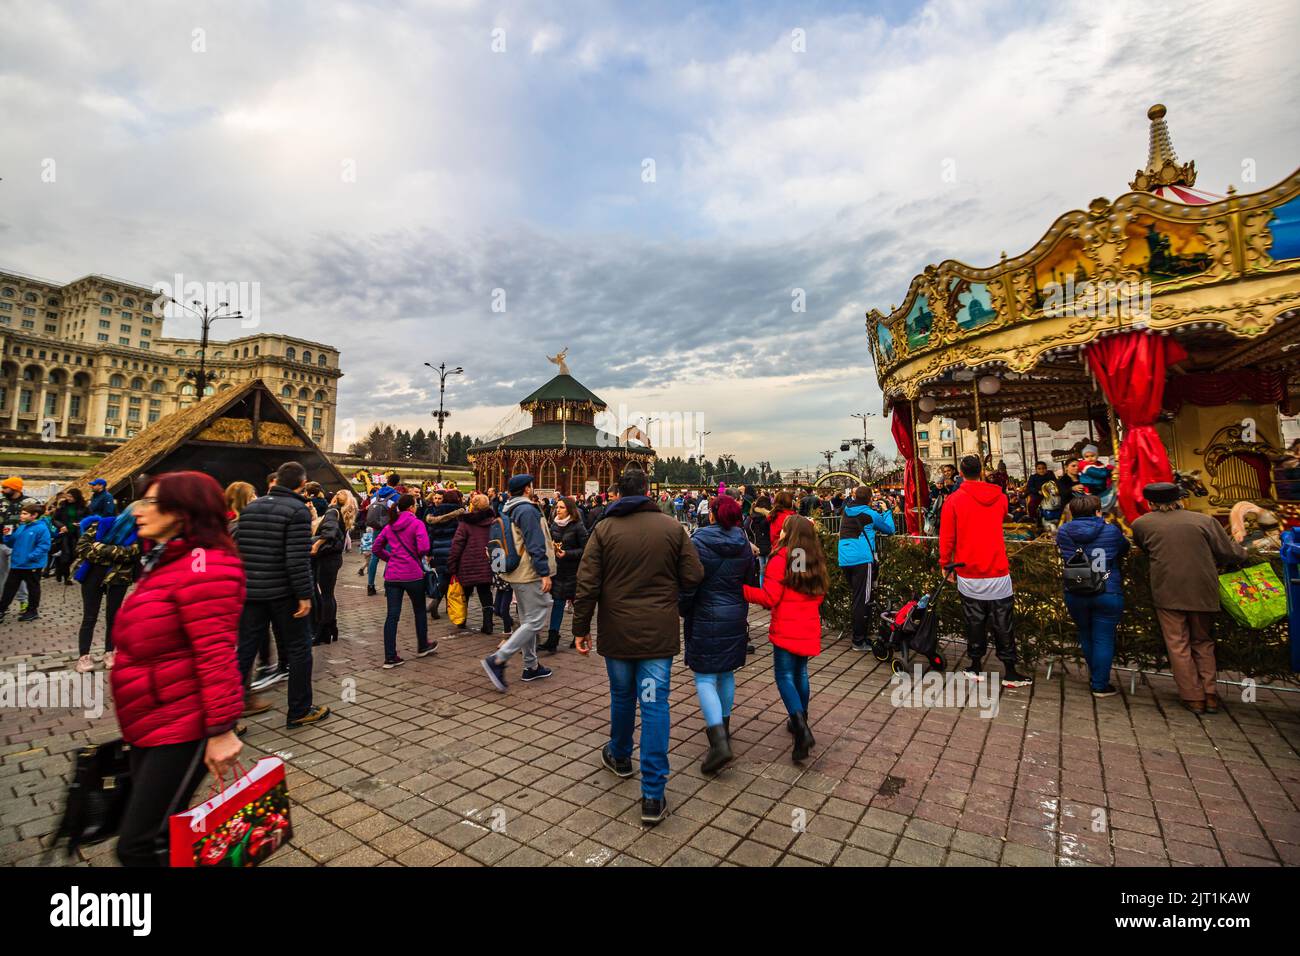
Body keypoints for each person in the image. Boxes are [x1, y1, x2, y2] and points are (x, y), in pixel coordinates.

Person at [110, 471, 245, 866]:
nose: (139, 510)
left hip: (182, 722)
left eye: (152, 502)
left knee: (138, 845)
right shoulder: (166, 561)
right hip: (151, 715)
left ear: (183, 510)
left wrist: (221, 730)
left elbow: (216, 653)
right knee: (161, 834)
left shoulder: (205, 568)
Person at [573, 467, 704, 824]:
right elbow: (694, 575)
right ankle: (652, 795)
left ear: (618, 493)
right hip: (657, 636)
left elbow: (587, 584)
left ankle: (619, 755)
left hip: (617, 632)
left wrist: (580, 628)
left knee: (621, 696)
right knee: (654, 704)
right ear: (647, 491)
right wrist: (670, 595)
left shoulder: (603, 529)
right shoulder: (672, 529)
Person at [1130, 482, 1249, 715]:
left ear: (1150, 502)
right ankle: (1210, 693)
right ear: (1178, 499)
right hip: (1202, 587)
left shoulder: (1141, 524)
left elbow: (1144, 547)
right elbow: (1227, 552)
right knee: (1203, 640)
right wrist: (1244, 551)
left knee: (1178, 643)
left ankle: (1192, 696)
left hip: (1167, 589)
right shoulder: (1203, 521)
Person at [234, 460, 330, 728]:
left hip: (251, 590)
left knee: (245, 649)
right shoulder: (297, 511)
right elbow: (296, 558)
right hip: (284, 591)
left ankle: (229, 714)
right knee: (299, 648)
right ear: (301, 483)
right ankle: (299, 709)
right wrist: (304, 594)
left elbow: (239, 547)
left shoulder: (251, 508)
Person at [940, 455, 1034, 688]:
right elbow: (1002, 515)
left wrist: (945, 563)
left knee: (974, 620)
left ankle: (975, 665)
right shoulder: (999, 497)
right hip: (997, 567)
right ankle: (1010, 670)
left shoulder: (954, 500)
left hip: (969, 568)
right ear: (981, 471)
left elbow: (947, 536)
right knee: (1004, 621)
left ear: (960, 473)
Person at [743, 515, 827, 763]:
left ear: (789, 534)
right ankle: (800, 718)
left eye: (782, 530)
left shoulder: (781, 559)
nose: (779, 532)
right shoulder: (812, 559)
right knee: (801, 672)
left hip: (786, 627)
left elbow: (770, 597)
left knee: (784, 676)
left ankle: (801, 727)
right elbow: (818, 594)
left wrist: (742, 590)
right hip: (807, 625)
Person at [680, 494, 751, 775]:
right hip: (734, 614)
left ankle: (718, 740)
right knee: (727, 671)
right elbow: (749, 580)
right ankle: (725, 724)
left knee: (705, 677)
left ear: (712, 515)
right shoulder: (744, 542)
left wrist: (684, 607)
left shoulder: (698, 542)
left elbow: (689, 581)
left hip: (706, 614)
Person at [481, 475, 555, 690]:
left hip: (515, 572)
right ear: (527, 489)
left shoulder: (507, 508)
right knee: (536, 619)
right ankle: (497, 659)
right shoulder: (527, 510)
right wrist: (544, 572)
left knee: (527, 620)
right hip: (529, 572)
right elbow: (535, 543)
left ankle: (531, 666)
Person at [1055, 495, 1129, 697]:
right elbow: (1124, 549)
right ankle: (1100, 684)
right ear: (1097, 511)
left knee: (1086, 633)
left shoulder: (1063, 532)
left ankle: (1095, 676)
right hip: (1106, 587)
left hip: (1076, 588)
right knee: (1103, 637)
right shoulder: (1111, 530)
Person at [72, 504, 140, 673]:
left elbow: (132, 553)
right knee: (89, 616)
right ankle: (84, 656)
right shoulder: (102, 524)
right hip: (92, 576)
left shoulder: (139, 534)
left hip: (120, 577)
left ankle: (109, 651)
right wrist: (116, 554)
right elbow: (83, 547)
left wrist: (100, 547)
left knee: (113, 616)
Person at [372, 493, 436, 667]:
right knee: (419, 610)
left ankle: (390, 656)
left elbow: (376, 548)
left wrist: (390, 558)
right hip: (412, 574)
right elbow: (424, 548)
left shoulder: (390, 525)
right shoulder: (417, 523)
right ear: (411, 507)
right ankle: (422, 645)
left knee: (392, 615)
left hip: (392, 574)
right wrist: (415, 555)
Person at [838, 485, 895, 651]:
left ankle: (859, 636)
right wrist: (887, 511)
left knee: (857, 598)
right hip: (862, 558)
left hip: (845, 557)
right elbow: (890, 529)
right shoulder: (870, 514)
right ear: (870, 499)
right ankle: (859, 640)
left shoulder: (846, 511)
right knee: (862, 600)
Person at [449, 493, 497, 634]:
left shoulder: (465, 523)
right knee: (485, 593)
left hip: (467, 564)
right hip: (486, 563)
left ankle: (461, 620)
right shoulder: (493, 522)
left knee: (464, 593)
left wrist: (452, 564)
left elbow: (457, 545)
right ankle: (488, 624)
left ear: (473, 505)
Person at [545, 495, 588, 652]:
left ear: (569, 510)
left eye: (562, 507)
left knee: (577, 604)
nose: (558, 510)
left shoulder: (578, 526)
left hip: (574, 571)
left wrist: (568, 553)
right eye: (557, 507)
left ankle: (579, 634)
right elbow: (550, 541)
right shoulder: (554, 524)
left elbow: (586, 549)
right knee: (558, 602)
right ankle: (552, 637)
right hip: (559, 570)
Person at [310, 489, 353, 646]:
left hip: (327, 557)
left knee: (326, 595)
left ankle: (323, 632)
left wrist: (316, 545)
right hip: (335, 557)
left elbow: (329, 532)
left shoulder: (332, 511)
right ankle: (331, 628)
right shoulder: (342, 513)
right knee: (329, 594)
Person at [0, 502, 51, 621]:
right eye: (21, 513)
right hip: (17, 564)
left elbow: (44, 546)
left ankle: (32, 611)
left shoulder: (41, 528)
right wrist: (7, 536)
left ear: (34, 515)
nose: (21, 516)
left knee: (33, 588)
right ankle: (2, 609)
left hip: (31, 565)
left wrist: (30, 556)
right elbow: (12, 542)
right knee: (10, 587)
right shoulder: (22, 527)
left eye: (25, 514)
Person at [425, 489, 465, 619]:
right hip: (454, 549)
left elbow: (430, 534)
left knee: (443, 577)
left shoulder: (436, 513)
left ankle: (435, 605)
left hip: (439, 549)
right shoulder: (460, 513)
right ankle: (447, 606)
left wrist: (430, 552)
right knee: (456, 580)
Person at [362, 475, 402, 596]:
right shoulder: (396, 496)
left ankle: (370, 585)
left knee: (375, 556)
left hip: (376, 528)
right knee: (390, 557)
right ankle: (387, 585)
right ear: (397, 483)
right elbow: (398, 513)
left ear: (387, 481)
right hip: (390, 528)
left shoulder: (376, 495)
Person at [50, 488, 87, 584]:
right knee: (66, 555)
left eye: (71, 496)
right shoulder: (63, 506)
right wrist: (61, 526)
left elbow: (89, 518)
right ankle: (66, 577)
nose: (68, 498)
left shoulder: (84, 507)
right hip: (65, 534)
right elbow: (54, 519)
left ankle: (59, 568)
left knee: (74, 555)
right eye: (68, 496)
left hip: (77, 534)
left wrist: (82, 523)